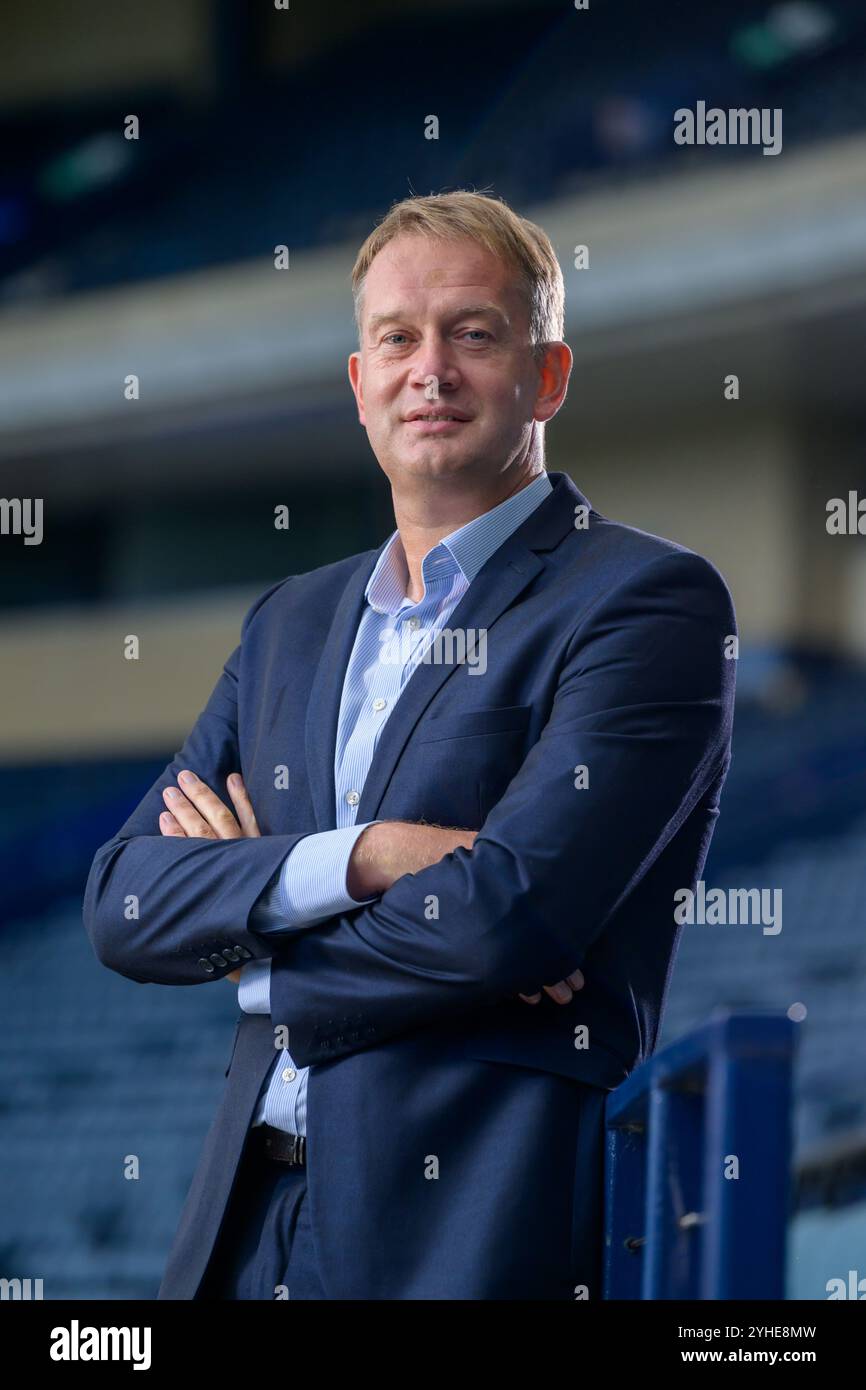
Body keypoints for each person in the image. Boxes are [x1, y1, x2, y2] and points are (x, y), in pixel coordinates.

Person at [83, 190, 736, 1300]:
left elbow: (512, 913)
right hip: (246, 1232)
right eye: (396, 337)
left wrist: (257, 941)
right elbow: (125, 901)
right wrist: (370, 855)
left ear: (546, 375)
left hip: (467, 1234)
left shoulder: (645, 601)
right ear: (359, 383)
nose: (426, 369)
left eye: (472, 333)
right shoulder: (287, 622)